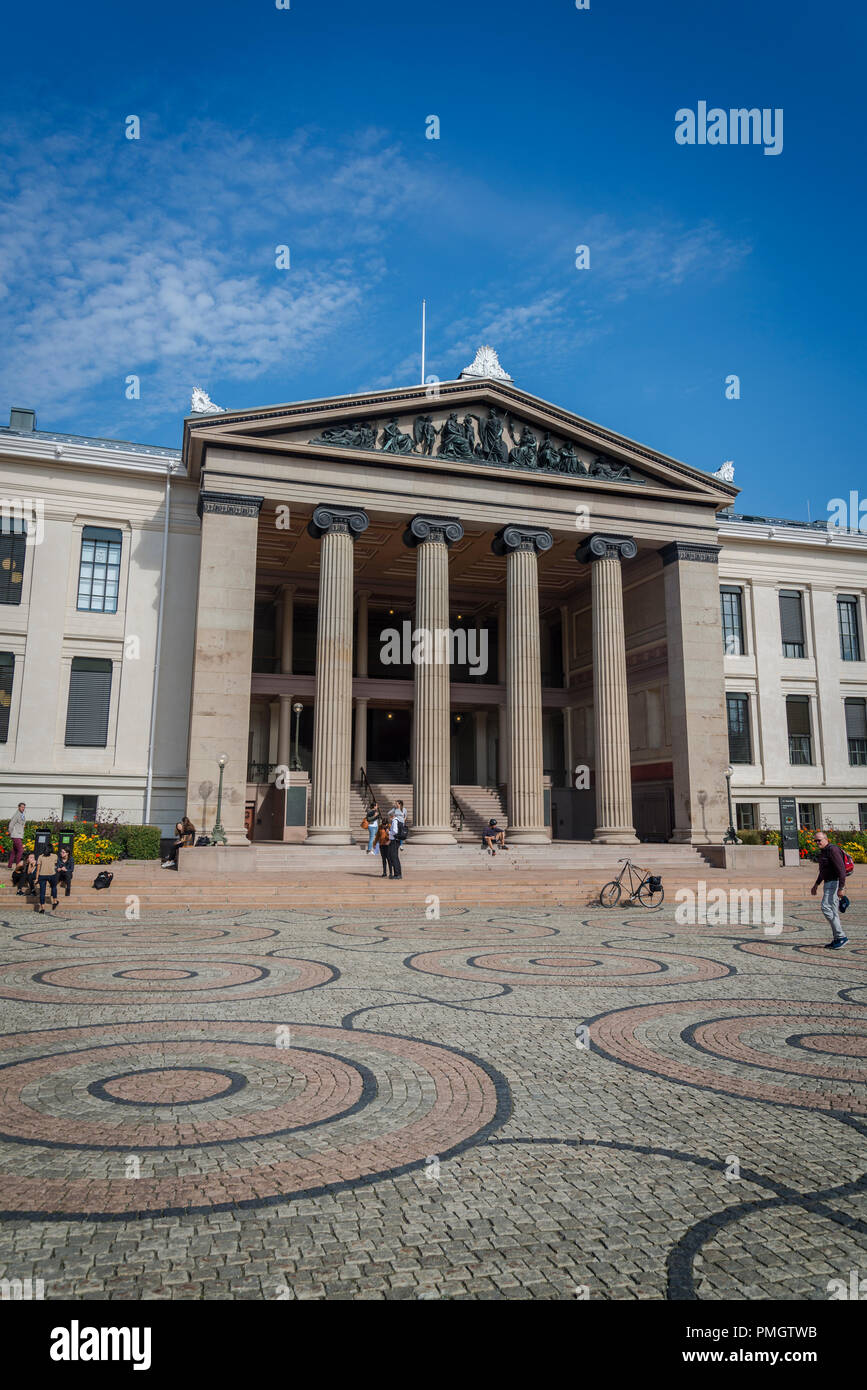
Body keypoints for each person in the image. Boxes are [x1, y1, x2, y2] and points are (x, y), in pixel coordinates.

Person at [811, 830, 849, 949]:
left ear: (826, 839)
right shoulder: (824, 851)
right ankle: (837, 938)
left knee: (826, 907)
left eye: (819, 840)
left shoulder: (833, 850)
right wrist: (816, 884)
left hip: (834, 883)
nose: (817, 842)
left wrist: (841, 887)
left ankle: (841, 936)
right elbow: (823, 871)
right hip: (828, 883)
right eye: (815, 841)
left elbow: (841, 870)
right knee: (832, 911)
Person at [36, 844, 59, 913]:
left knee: (42, 892)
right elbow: (56, 865)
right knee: (54, 887)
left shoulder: (40, 856)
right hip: (52, 874)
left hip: (42, 875)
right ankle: (55, 901)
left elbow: (38, 869)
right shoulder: (55, 856)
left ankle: (42, 908)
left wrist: (36, 878)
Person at [7, 802, 26, 869]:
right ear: (18, 807)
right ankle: (18, 866)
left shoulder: (22, 815)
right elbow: (11, 824)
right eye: (22, 807)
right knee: (20, 850)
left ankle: (9, 866)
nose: (23, 808)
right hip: (16, 835)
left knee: (14, 851)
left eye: (24, 807)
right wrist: (10, 832)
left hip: (19, 835)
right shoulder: (17, 815)